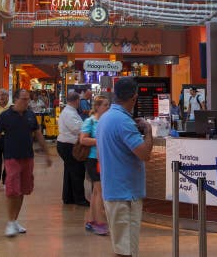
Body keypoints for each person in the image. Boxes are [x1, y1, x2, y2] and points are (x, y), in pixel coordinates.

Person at [97, 77, 154, 257]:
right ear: (134, 97)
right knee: (126, 250)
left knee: (121, 247)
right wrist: (149, 132)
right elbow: (144, 154)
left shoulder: (105, 118)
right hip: (125, 195)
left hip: (113, 190)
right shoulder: (123, 121)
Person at [0, 88, 53, 237]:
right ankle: (10, 222)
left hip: (28, 158)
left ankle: (15, 221)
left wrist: (47, 154)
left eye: (28, 99)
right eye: (23, 99)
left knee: (23, 190)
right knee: (12, 191)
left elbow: (38, 135)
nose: (27, 102)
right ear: (16, 99)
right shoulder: (5, 116)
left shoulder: (30, 115)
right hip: (12, 158)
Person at [80, 95, 111, 235]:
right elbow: (83, 140)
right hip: (93, 160)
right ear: (97, 107)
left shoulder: (106, 121)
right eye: (105, 105)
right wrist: (99, 140)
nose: (108, 108)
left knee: (95, 192)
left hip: (103, 159)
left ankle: (91, 220)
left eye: (108, 105)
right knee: (99, 191)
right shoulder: (90, 122)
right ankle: (99, 222)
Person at [56, 91, 89, 207]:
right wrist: (88, 128)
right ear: (76, 101)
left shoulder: (70, 111)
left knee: (70, 171)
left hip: (65, 144)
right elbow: (77, 128)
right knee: (77, 171)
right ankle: (79, 199)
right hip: (68, 145)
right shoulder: (69, 113)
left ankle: (68, 197)